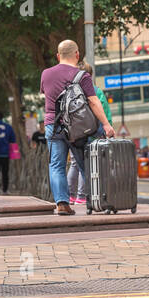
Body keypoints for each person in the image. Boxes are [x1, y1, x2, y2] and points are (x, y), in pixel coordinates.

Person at [41, 39, 114, 215]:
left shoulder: (46, 74)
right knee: (84, 165)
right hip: (76, 128)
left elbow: (47, 97)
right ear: (77, 54)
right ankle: (94, 200)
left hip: (53, 125)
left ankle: (62, 204)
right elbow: (93, 102)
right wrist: (106, 124)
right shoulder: (83, 76)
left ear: (58, 56)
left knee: (56, 165)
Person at [0, 110, 17, 195]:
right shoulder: (8, 127)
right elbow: (13, 140)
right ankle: (5, 189)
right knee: (5, 172)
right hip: (6, 153)